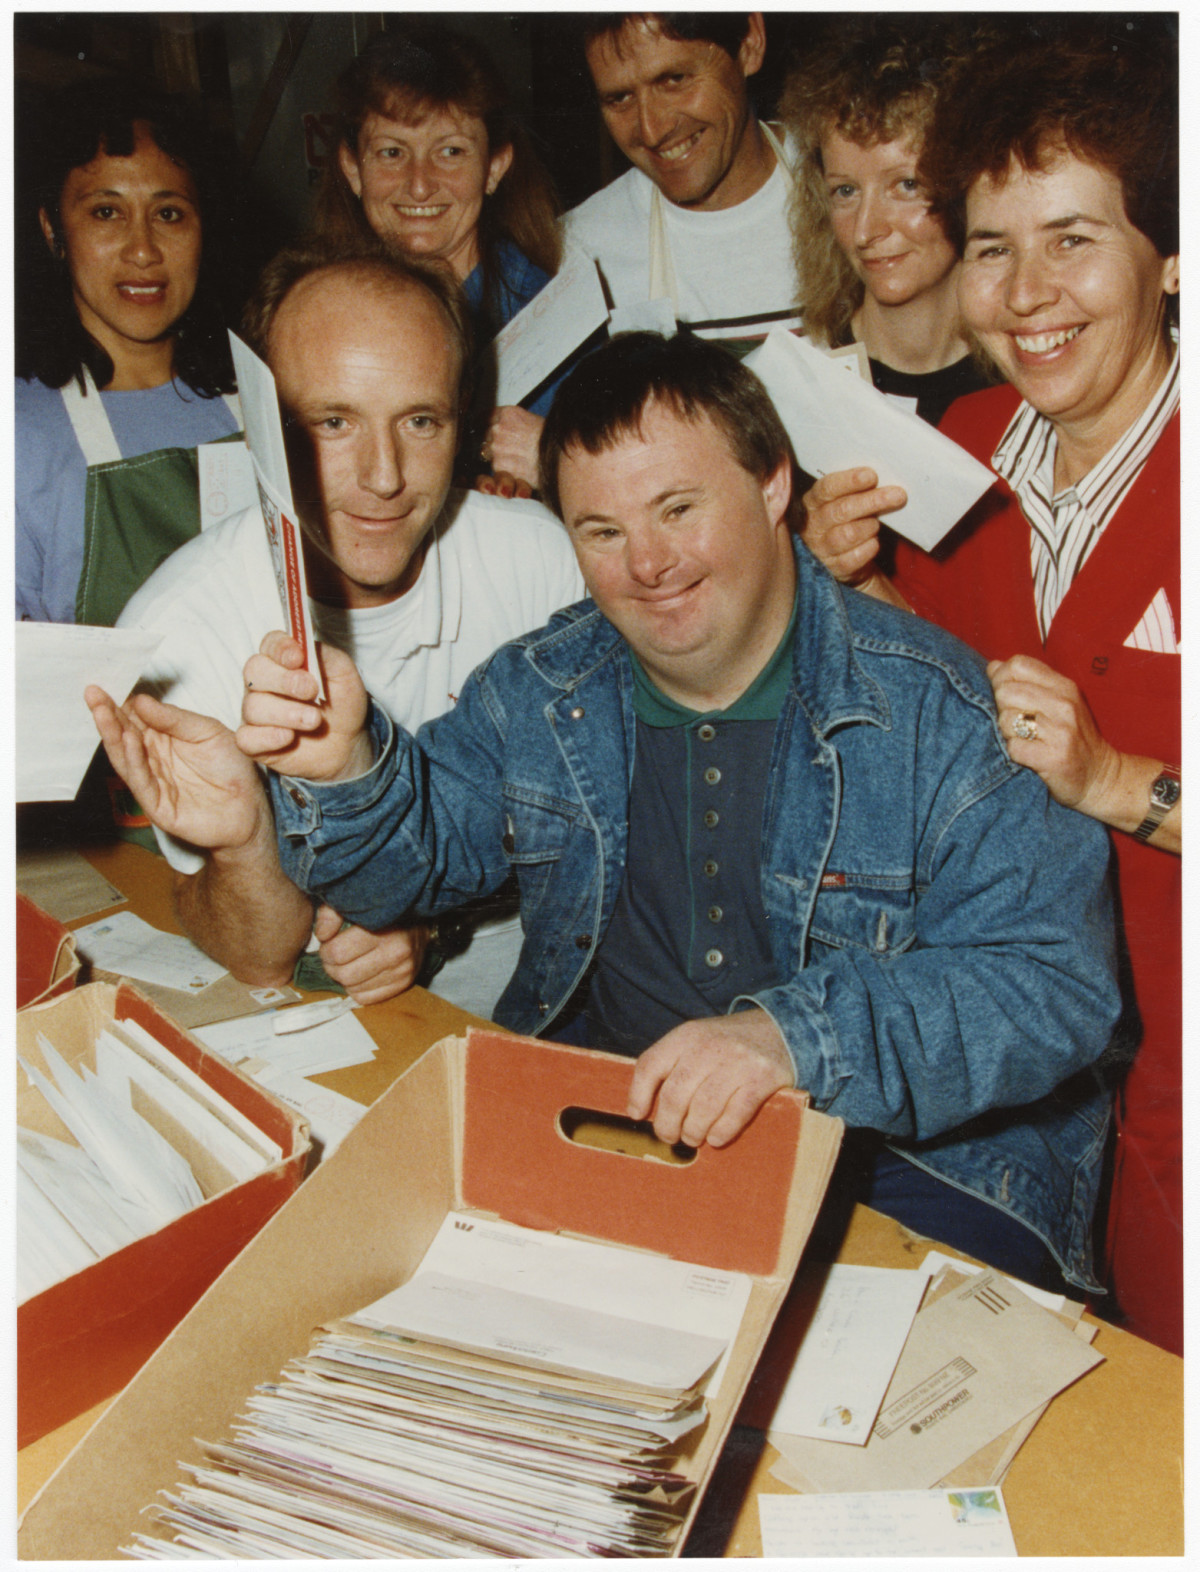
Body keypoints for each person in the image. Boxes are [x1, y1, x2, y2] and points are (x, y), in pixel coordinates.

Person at [107, 331, 1125, 1295]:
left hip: (914, 1165)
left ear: (774, 483)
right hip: (621, 1119)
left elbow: (1054, 989)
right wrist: (346, 766)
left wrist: (790, 1044)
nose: (647, 563)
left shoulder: (939, 708)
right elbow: (404, 871)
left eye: (678, 508)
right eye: (602, 529)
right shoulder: (544, 686)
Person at [802, 24, 1180, 1350]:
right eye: (991, 246)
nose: (1028, 292)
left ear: (1171, 257)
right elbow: (954, 717)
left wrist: (1117, 784)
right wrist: (851, 597)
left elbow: (1078, 760)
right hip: (1069, 1094)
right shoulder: (955, 459)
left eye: (1073, 238)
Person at [95, 239, 583, 1016]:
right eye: (332, 423)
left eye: (420, 420)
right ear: (257, 428)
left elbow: (608, 828)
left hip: (541, 986)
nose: (383, 476)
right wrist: (249, 841)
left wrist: (431, 916)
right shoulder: (176, 631)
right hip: (308, 1014)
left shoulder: (544, 561)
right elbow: (256, 956)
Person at [485, 12, 802, 490]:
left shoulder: (853, 188)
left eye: (674, 79)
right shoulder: (575, 253)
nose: (652, 129)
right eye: (619, 98)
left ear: (750, 43)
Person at [16, 79, 242, 625]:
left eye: (169, 214)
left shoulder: (257, 395)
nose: (143, 250)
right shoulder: (20, 435)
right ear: (53, 232)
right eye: (105, 213)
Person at [316, 22, 563, 490]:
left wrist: (551, 474)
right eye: (391, 152)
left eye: (450, 151)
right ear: (352, 168)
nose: (420, 184)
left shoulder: (553, 317)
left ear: (494, 167)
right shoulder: (319, 316)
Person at [780, 17, 992, 427]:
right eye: (845, 191)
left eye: (906, 185)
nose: (864, 230)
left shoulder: (1030, 372)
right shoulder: (802, 376)